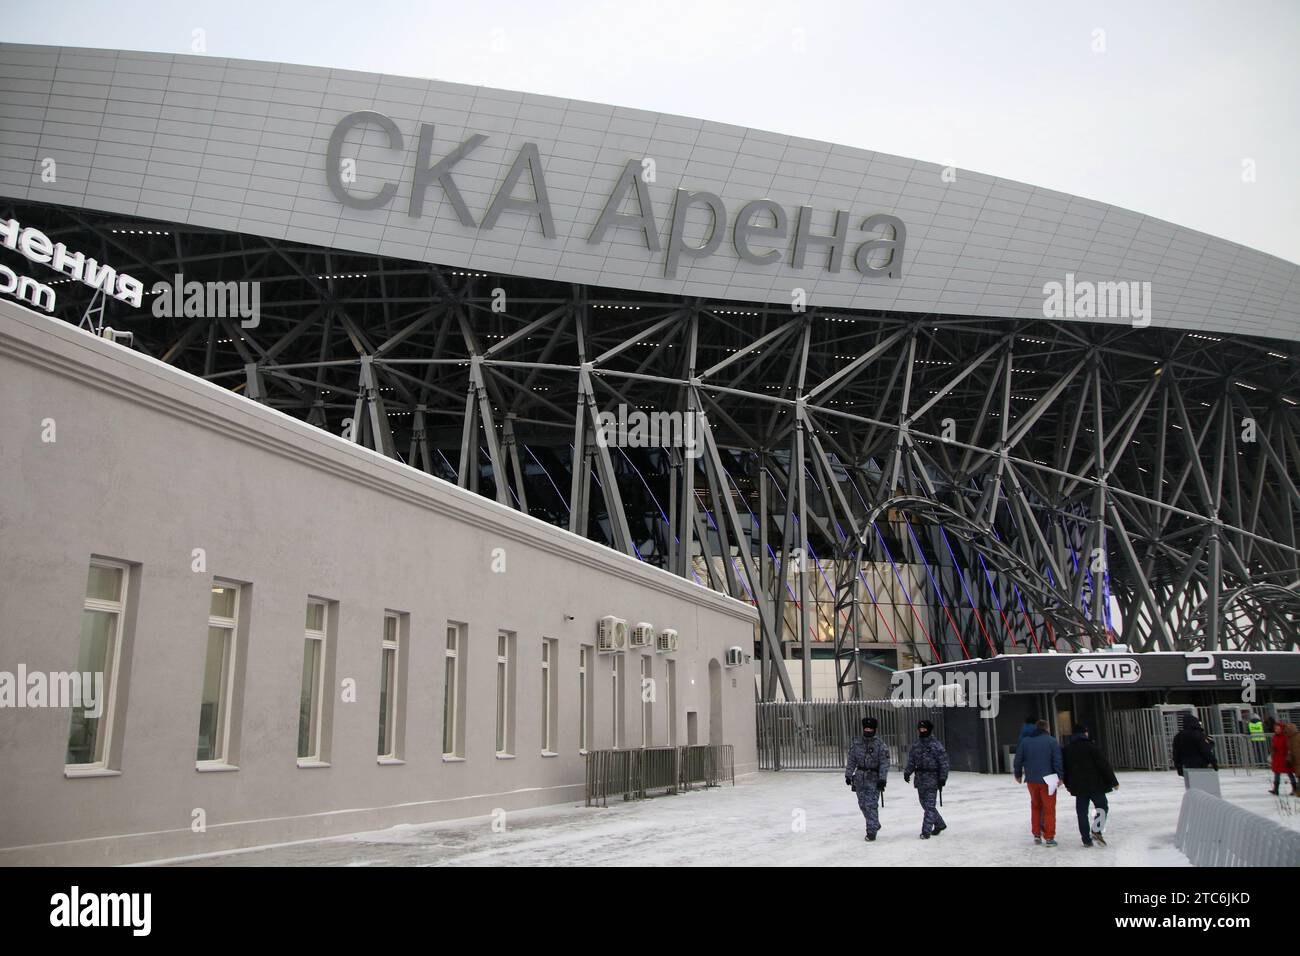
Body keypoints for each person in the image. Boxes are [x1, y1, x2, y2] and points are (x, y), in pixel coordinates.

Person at [1061, 724, 1119, 848]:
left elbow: (1064, 769)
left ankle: (1086, 840)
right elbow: (1103, 765)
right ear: (1084, 733)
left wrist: (1068, 785)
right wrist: (1114, 781)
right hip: (1095, 785)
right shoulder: (1091, 746)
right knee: (1102, 807)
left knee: (1081, 812)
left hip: (1079, 787)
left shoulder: (1067, 749)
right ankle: (1097, 830)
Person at [1014, 718, 1064, 846]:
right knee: (1049, 809)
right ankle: (1049, 837)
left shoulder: (1025, 742)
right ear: (1046, 728)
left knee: (1035, 807)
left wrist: (1018, 774)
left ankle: (1036, 834)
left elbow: (1018, 758)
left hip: (1031, 780)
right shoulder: (1052, 741)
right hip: (1049, 780)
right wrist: (1060, 776)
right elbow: (1057, 760)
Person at [845, 716, 890, 841]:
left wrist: (882, 779)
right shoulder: (857, 743)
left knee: (870, 805)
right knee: (862, 805)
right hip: (859, 778)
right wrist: (848, 775)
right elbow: (852, 760)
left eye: (870, 728)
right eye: (866, 728)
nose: (868, 730)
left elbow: (884, 763)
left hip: (873, 779)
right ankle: (874, 823)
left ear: (874, 730)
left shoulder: (880, 745)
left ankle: (871, 832)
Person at [903, 719, 949, 839]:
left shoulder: (936, 746)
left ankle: (926, 831)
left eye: (924, 729)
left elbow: (944, 763)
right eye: (920, 729)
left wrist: (942, 778)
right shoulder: (916, 745)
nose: (922, 731)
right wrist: (907, 772)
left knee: (929, 806)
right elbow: (912, 761)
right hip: (920, 779)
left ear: (929, 730)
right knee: (925, 804)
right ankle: (939, 824)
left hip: (932, 779)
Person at [1269, 722, 1298, 795]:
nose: (1277, 730)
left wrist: (1288, 755)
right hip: (1277, 757)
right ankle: (1276, 789)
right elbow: (1273, 746)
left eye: (1278, 729)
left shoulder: (1285, 737)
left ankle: (1294, 789)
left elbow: (1288, 747)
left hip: (1284, 757)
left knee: (1289, 773)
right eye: (1275, 729)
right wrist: (1272, 752)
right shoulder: (1275, 737)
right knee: (1277, 773)